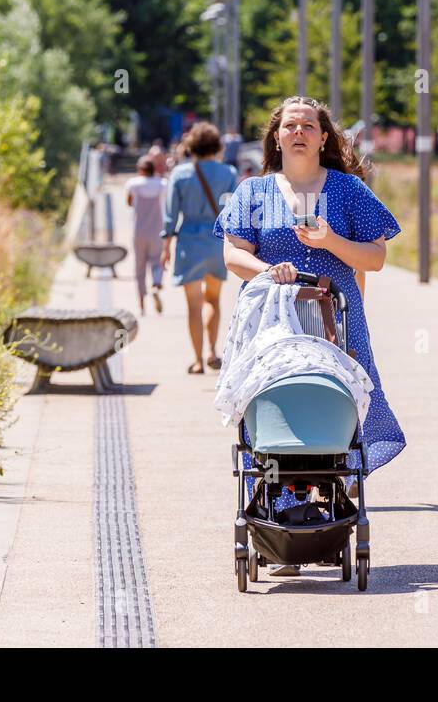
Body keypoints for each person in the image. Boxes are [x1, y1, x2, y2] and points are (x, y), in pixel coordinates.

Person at [215, 97, 405, 560]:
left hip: (334, 317)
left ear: (323, 137)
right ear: (276, 137)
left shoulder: (347, 191)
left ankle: (328, 499)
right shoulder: (252, 192)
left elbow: (376, 258)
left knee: (335, 407)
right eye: (289, 125)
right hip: (271, 320)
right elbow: (232, 254)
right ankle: (280, 507)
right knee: (275, 401)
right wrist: (269, 269)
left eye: (308, 126)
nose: (298, 132)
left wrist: (331, 241)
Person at [162, 122, 238, 374]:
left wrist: (166, 246)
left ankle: (196, 360)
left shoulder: (181, 175)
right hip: (217, 241)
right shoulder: (228, 173)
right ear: (216, 146)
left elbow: (171, 216)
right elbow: (232, 211)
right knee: (213, 300)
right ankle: (212, 351)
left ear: (191, 146)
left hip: (189, 242)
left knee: (193, 304)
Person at [126, 156, 166, 315]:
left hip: (139, 230)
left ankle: (141, 303)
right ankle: (156, 284)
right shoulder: (161, 184)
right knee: (157, 261)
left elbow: (129, 202)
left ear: (141, 170)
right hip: (157, 229)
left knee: (139, 267)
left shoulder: (133, 184)